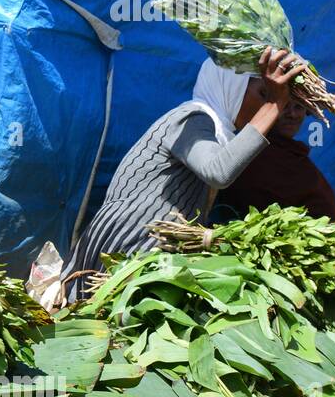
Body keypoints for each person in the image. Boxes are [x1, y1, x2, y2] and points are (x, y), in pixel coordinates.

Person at [64, 48, 304, 299]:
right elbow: (219, 172)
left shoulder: (218, 134)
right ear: (230, 88)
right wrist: (274, 104)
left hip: (148, 253)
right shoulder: (192, 118)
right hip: (125, 247)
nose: (265, 107)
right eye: (262, 93)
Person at [214, 98, 335, 222]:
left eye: (298, 107)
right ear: (267, 109)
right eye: (284, 106)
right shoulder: (252, 155)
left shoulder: (291, 154)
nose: (292, 114)